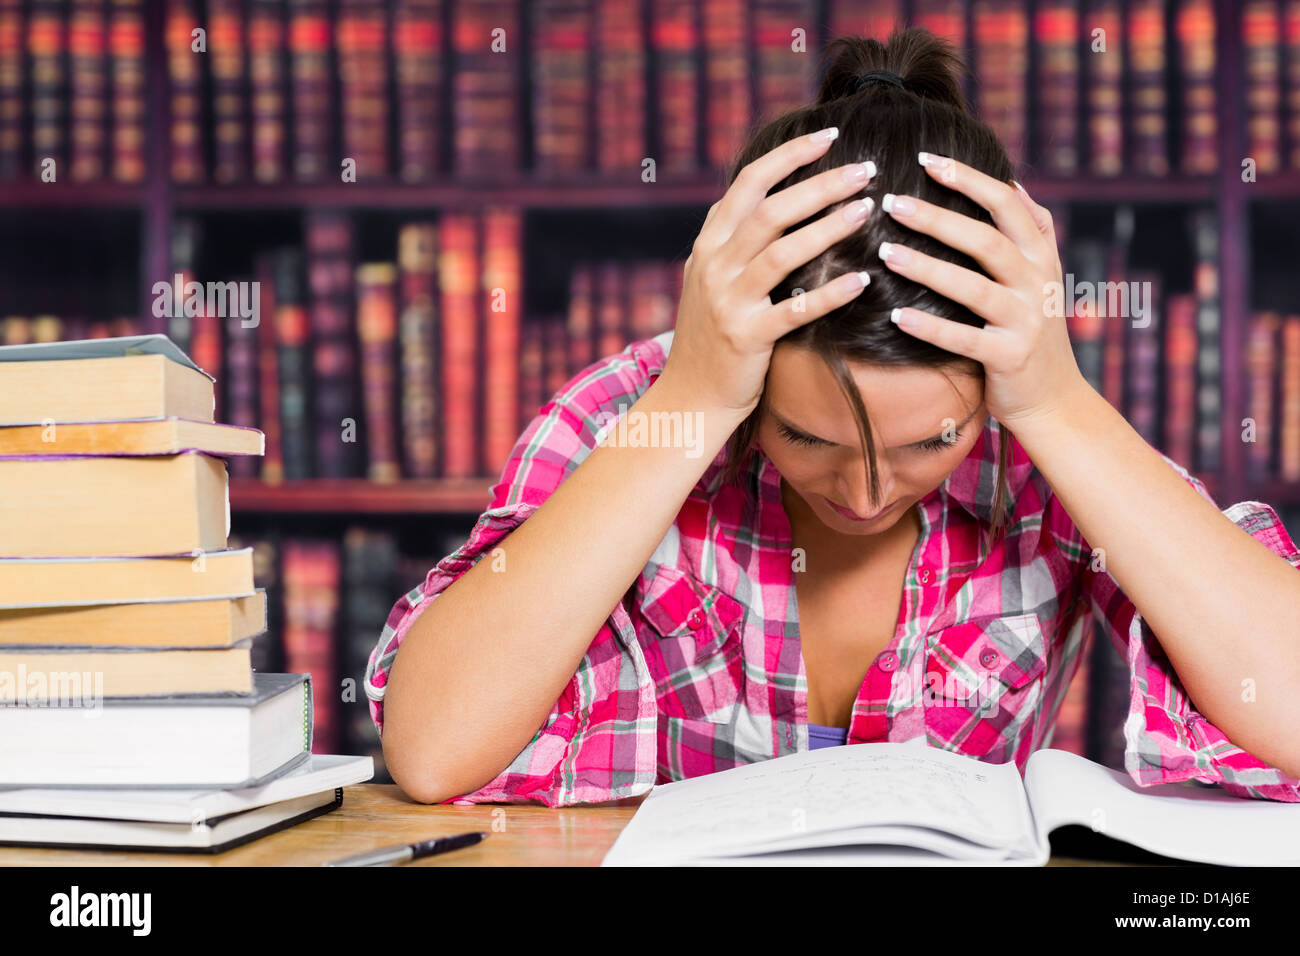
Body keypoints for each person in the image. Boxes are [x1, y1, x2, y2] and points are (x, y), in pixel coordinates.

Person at [365, 27, 1300, 806]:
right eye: (807, 437)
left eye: (933, 440)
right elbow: (436, 749)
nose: (863, 493)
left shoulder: (1040, 443)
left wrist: (1057, 404)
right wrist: (694, 401)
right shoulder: (637, 412)